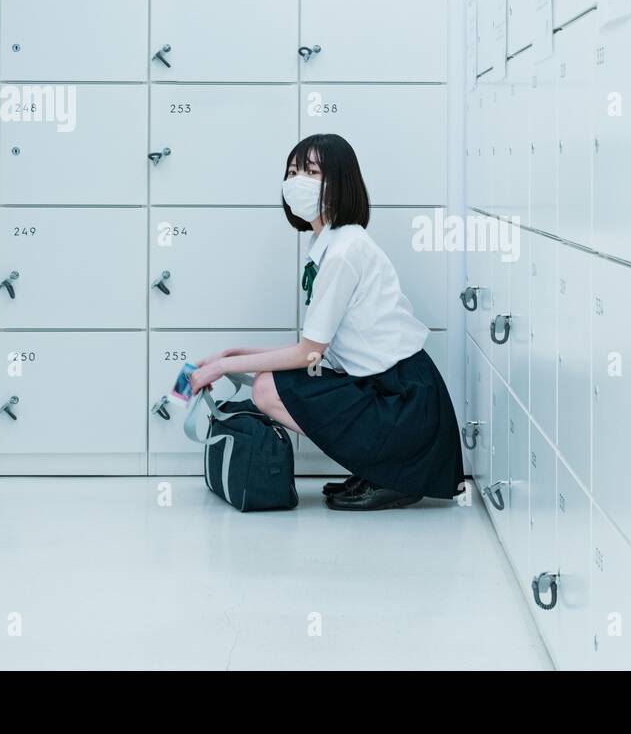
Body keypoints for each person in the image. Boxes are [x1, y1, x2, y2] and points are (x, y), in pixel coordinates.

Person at [189, 133, 465, 511]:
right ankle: (379, 470)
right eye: (291, 172)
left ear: (339, 183)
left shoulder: (344, 252)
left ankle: (389, 473)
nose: (296, 182)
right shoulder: (332, 243)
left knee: (268, 389)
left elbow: (309, 354)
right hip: (387, 389)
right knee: (269, 381)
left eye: (311, 172)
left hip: (404, 402)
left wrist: (224, 366)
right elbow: (321, 349)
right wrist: (237, 355)